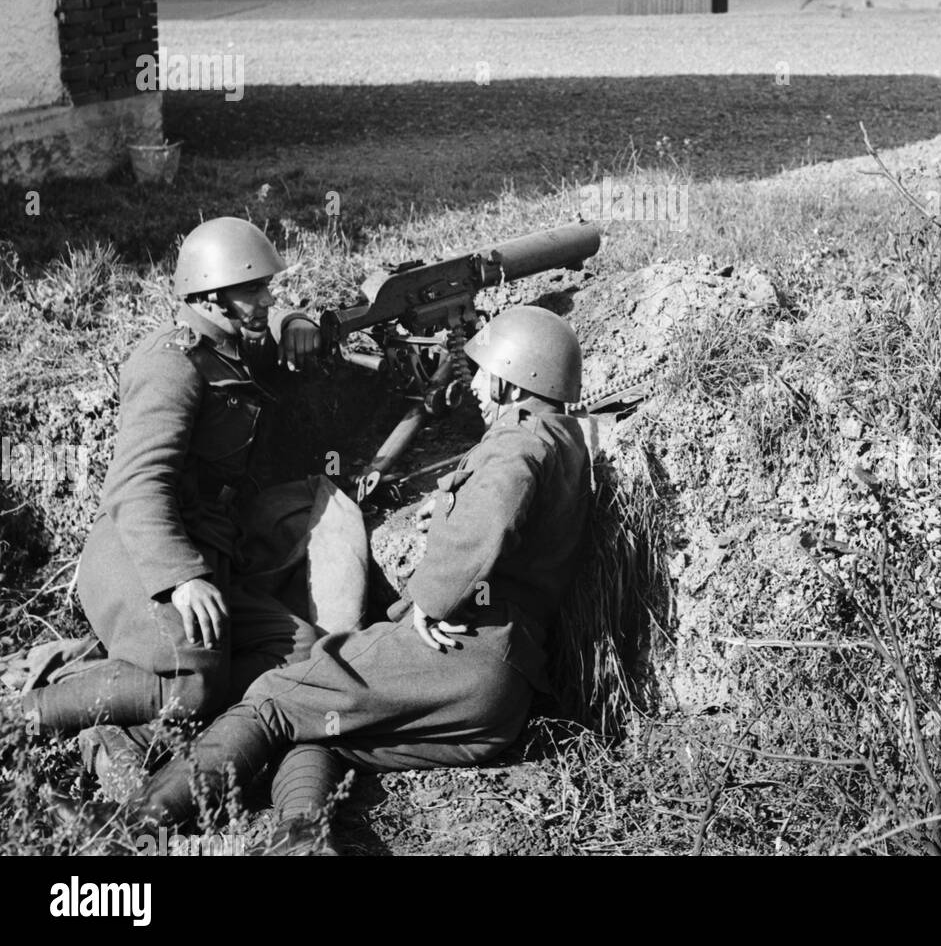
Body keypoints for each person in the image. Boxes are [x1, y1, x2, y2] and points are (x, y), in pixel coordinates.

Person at [100, 305, 592, 850]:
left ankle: (136, 825)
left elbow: (497, 506)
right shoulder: (566, 441)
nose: (473, 383)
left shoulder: (516, 441)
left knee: (270, 698)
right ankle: (305, 838)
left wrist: (432, 598)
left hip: (461, 654)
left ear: (506, 381)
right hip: (501, 702)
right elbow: (512, 510)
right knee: (322, 727)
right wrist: (450, 504)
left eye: (479, 370)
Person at [15, 217, 325, 795]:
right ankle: (19, 720)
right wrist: (181, 578)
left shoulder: (227, 345)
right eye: (254, 290)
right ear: (210, 294)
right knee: (196, 685)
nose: (267, 299)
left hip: (207, 548)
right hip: (139, 554)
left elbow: (268, 335)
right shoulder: (171, 364)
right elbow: (135, 488)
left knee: (302, 655)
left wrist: (291, 319)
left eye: (266, 288)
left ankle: (119, 736)